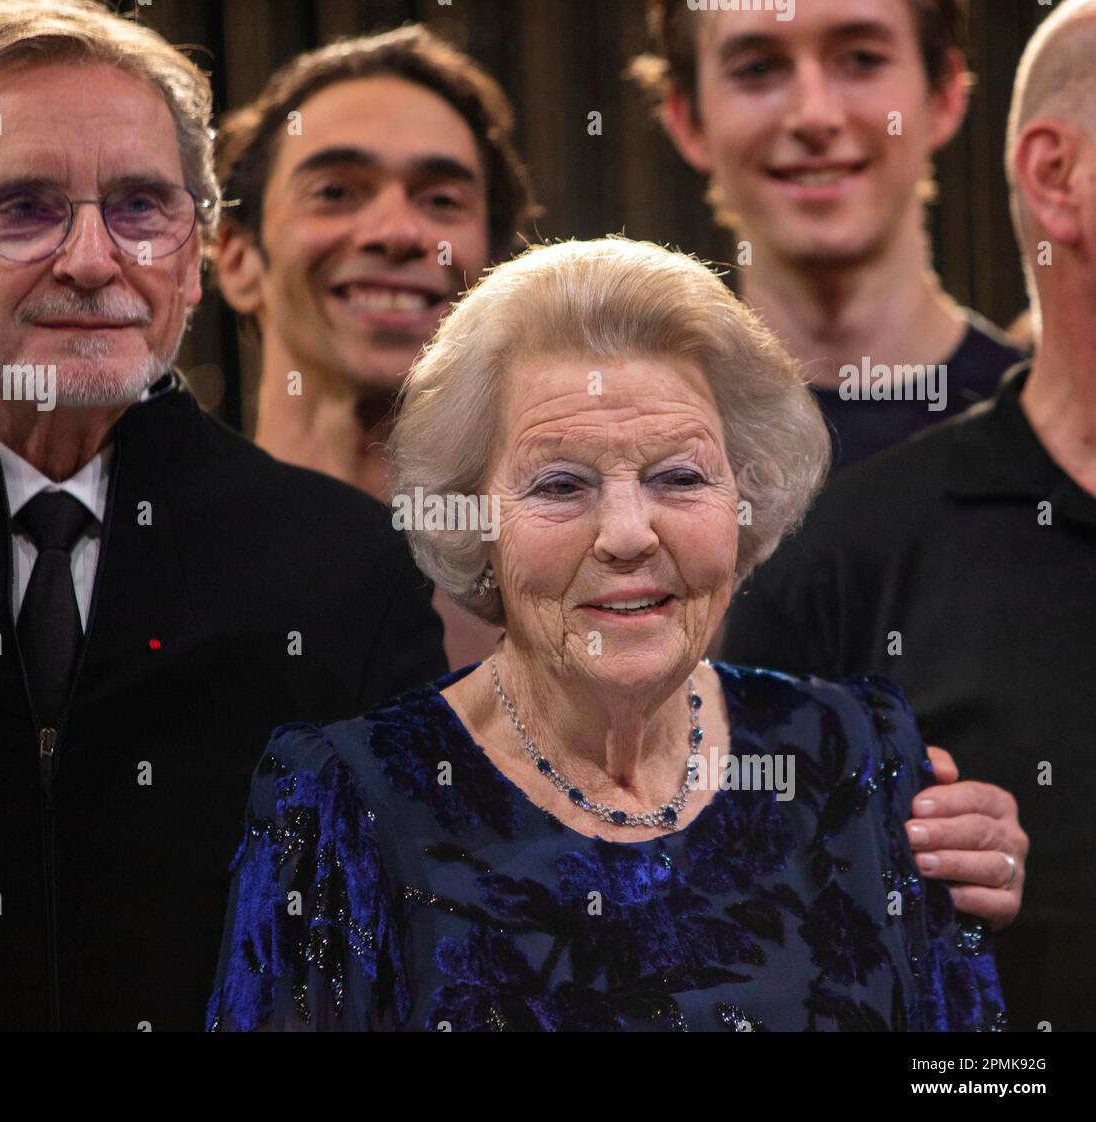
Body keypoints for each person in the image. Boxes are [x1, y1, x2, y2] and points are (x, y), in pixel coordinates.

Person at [0, 0, 444, 1031]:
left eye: (141, 207)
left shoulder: (351, 571)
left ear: (194, 256)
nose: (93, 261)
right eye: (25, 209)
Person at [205, 238, 1005, 1032]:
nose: (627, 534)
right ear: (475, 521)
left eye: (679, 477)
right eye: (560, 485)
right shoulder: (346, 807)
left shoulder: (854, 753)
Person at [723, 0, 1096, 1030]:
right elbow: (723, 948)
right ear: (1058, 174)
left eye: (857, 58)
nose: (814, 113)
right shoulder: (838, 558)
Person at [213, 25, 535, 668]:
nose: (397, 232)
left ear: (497, 274)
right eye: (335, 192)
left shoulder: (580, 587)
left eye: (441, 200)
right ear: (238, 258)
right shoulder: (147, 568)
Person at [631, 0, 1025, 473]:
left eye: (862, 59)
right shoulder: (639, 442)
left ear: (944, 94)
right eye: (758, 68)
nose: (815, 117)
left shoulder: (1055, 432)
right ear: (686, 118)